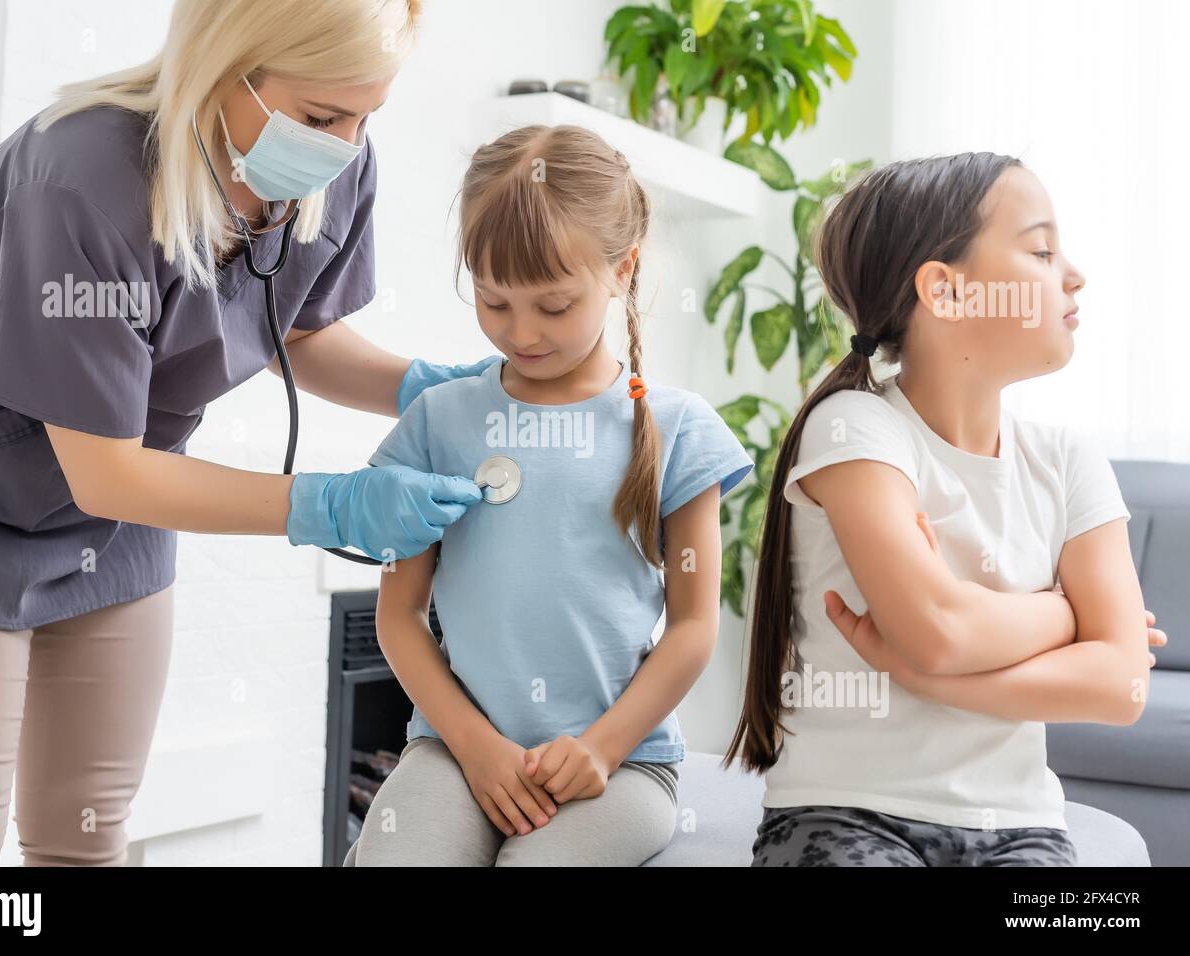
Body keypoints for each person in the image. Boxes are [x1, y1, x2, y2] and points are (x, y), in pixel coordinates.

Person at [0, 0, 489, 865]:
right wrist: (328, 504)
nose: (346, 146)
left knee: (86, 833)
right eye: (322, 117)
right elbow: (104, 469)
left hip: (127, 512)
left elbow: (301, 328)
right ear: (227, 62)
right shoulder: (83, 174)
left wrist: (425, 390)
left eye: (367, 117)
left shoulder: (331, 168)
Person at [726, 153, 1164, 866]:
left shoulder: (1068, 460)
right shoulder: (852, 429)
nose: (1074, 275)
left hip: (1022, 826)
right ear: (947, 291)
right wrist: (1065, 614)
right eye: (1043, 251)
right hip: (845, 812)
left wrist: (925, 677)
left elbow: (1124, 684)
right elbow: (936, 629)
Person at [351, 124, 755, 866]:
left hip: (623, 762)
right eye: (493, 301)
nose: (522, 332)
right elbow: (399, 614)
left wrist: (600, 749)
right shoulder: (438, 421)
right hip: (453, 750)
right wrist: (474, 748)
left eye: (555, 304)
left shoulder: (678, 429)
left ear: (622, 270)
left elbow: (695, 626)